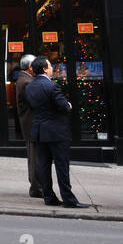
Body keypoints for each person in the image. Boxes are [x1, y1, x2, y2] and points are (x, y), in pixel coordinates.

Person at [24, 56, 87, 208]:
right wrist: (69, 105)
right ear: (45, 69)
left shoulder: (30, 87)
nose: (52, 68)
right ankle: (68, 199)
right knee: (61, 166)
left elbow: (32, 107)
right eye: (50, 66)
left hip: (39, 131)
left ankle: (49, 197)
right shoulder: (52, 86)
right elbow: (63, 107)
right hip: (56, 132)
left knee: (44, 166)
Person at [13, 52, 43, 198]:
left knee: (36, 157)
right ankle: (36, 188)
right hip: (31, 124)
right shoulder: (27, 82)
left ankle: (38, 186)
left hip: (31, 124)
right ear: (31, 67)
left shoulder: (26, 79)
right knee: (35, 157)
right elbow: (36, 102)